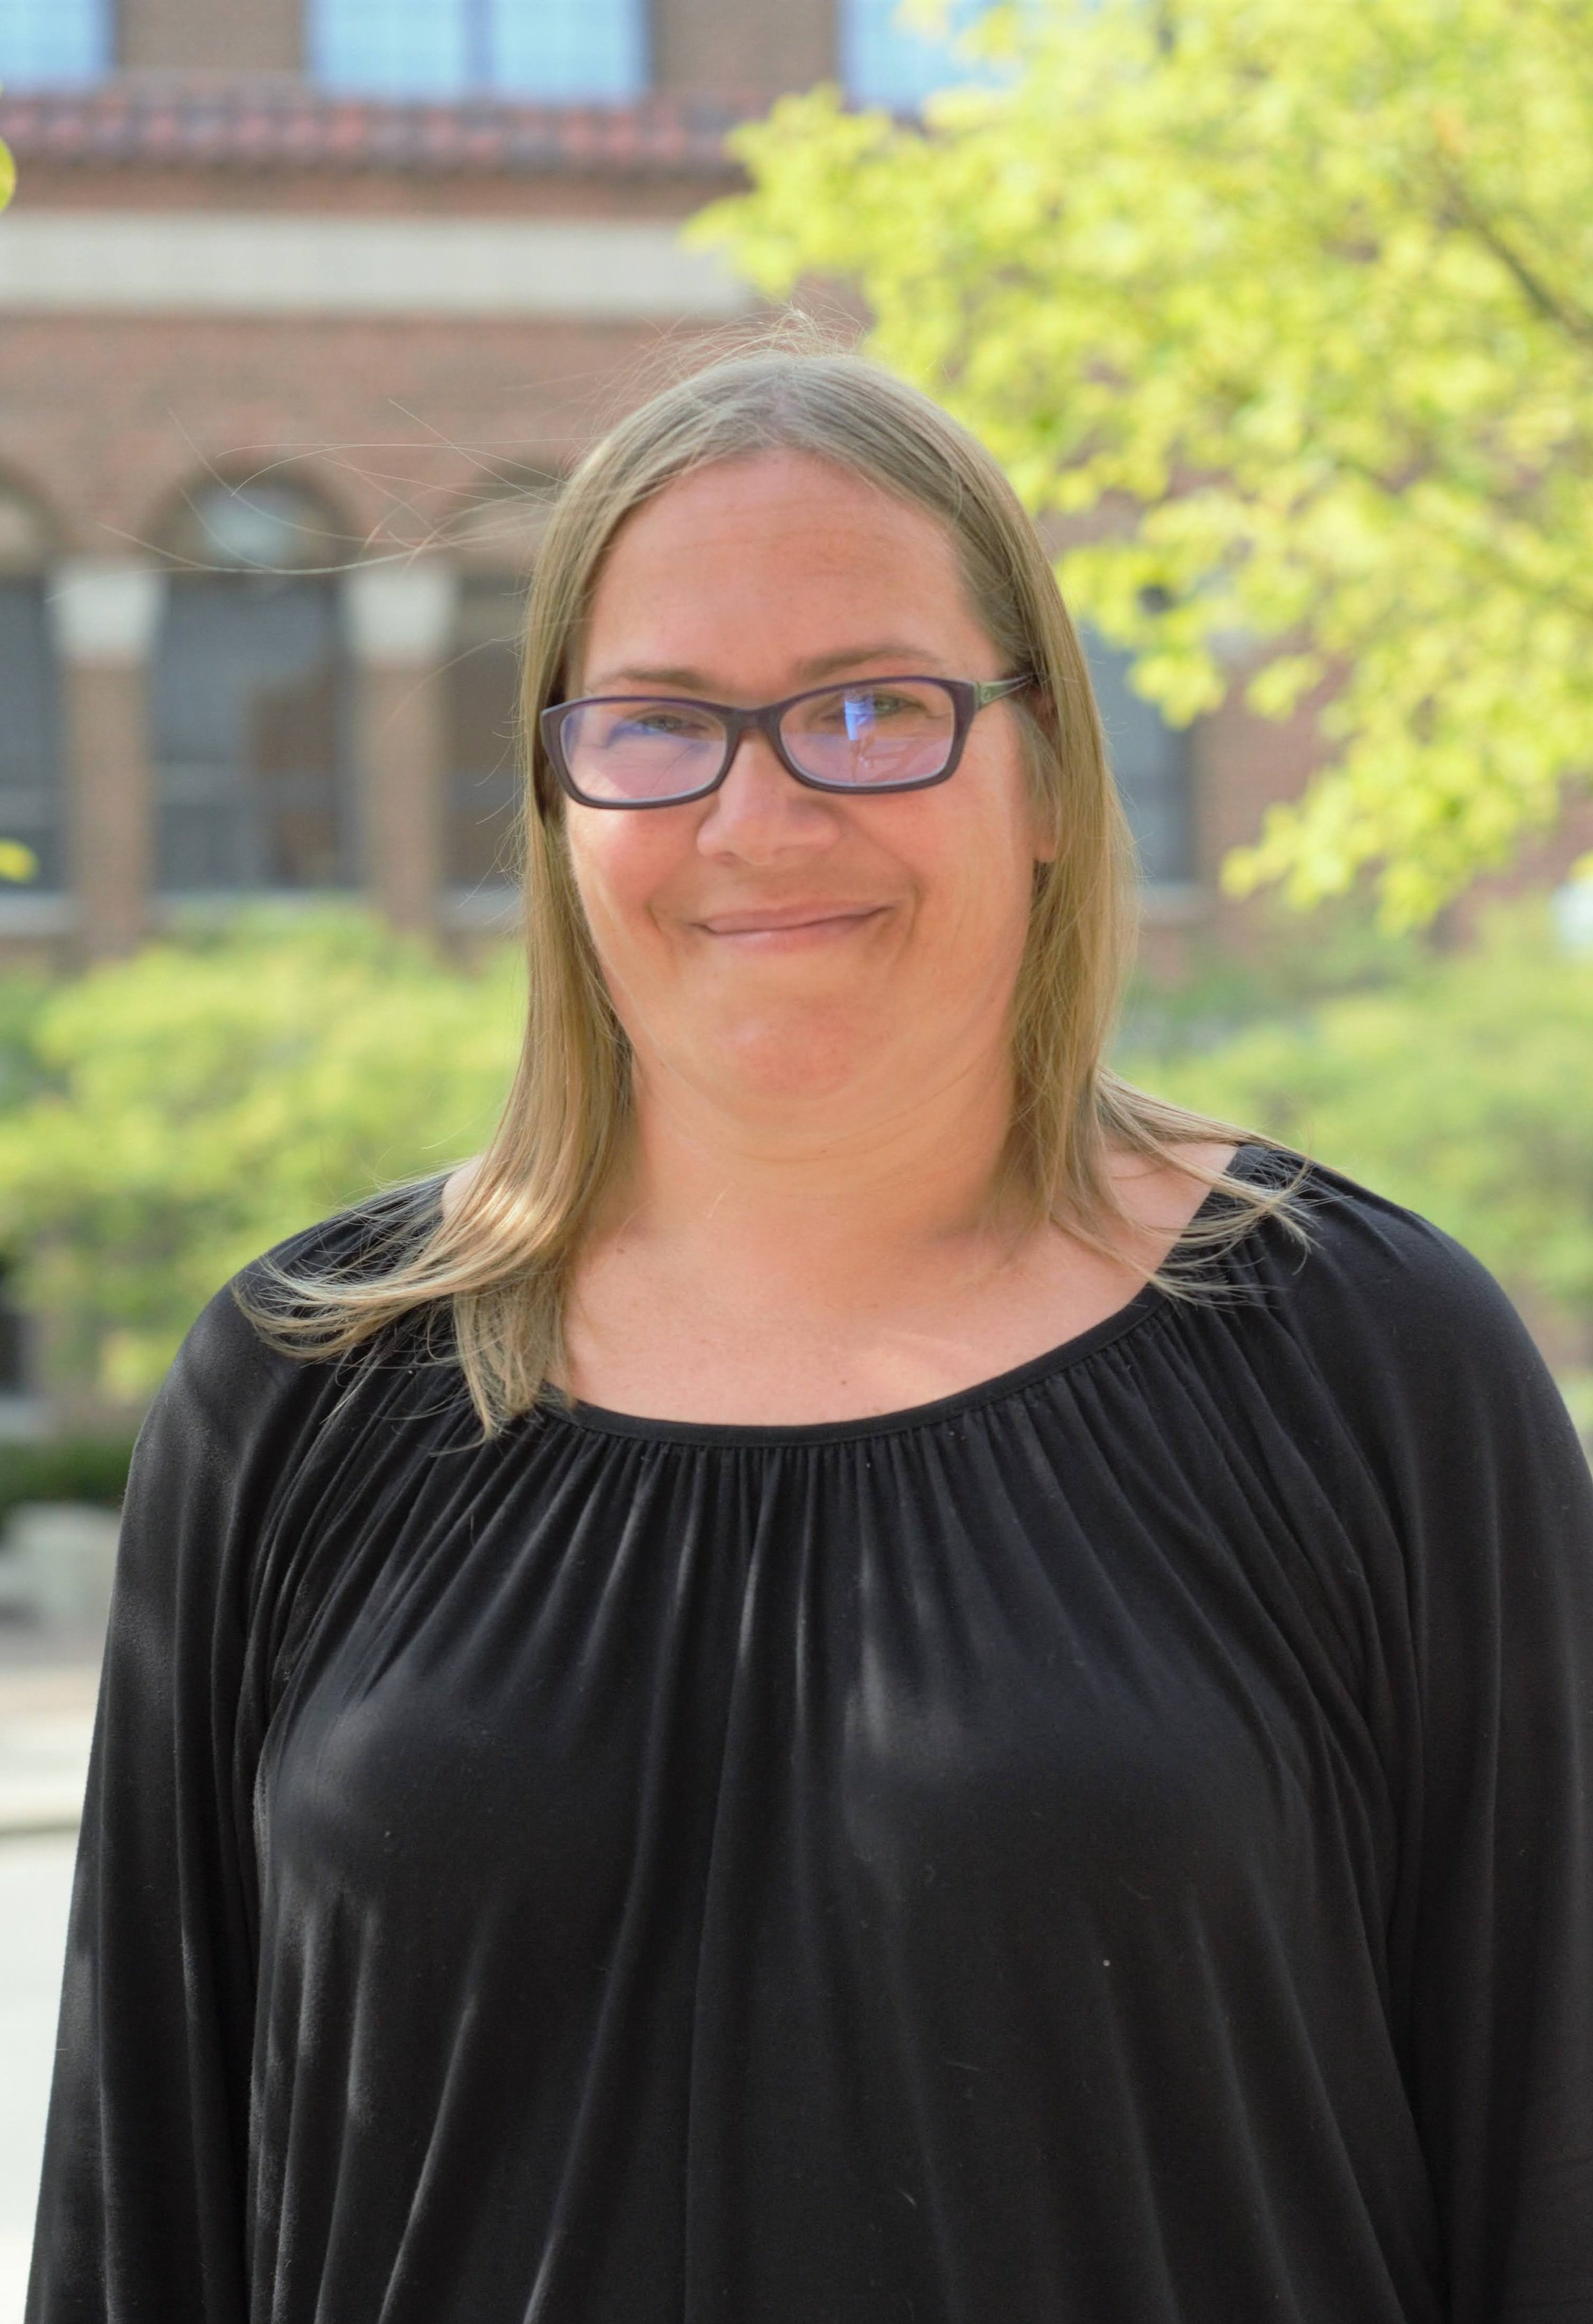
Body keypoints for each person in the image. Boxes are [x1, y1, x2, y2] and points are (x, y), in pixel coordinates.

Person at [27, 345, 1593, 2324]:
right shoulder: (301, 1388)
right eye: (662, 726)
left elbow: (1558, 2165)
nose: (761, 815)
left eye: (874, 709)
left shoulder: (1366, 1366)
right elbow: (136, 2215)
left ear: (1046, 778)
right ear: (560, 797)